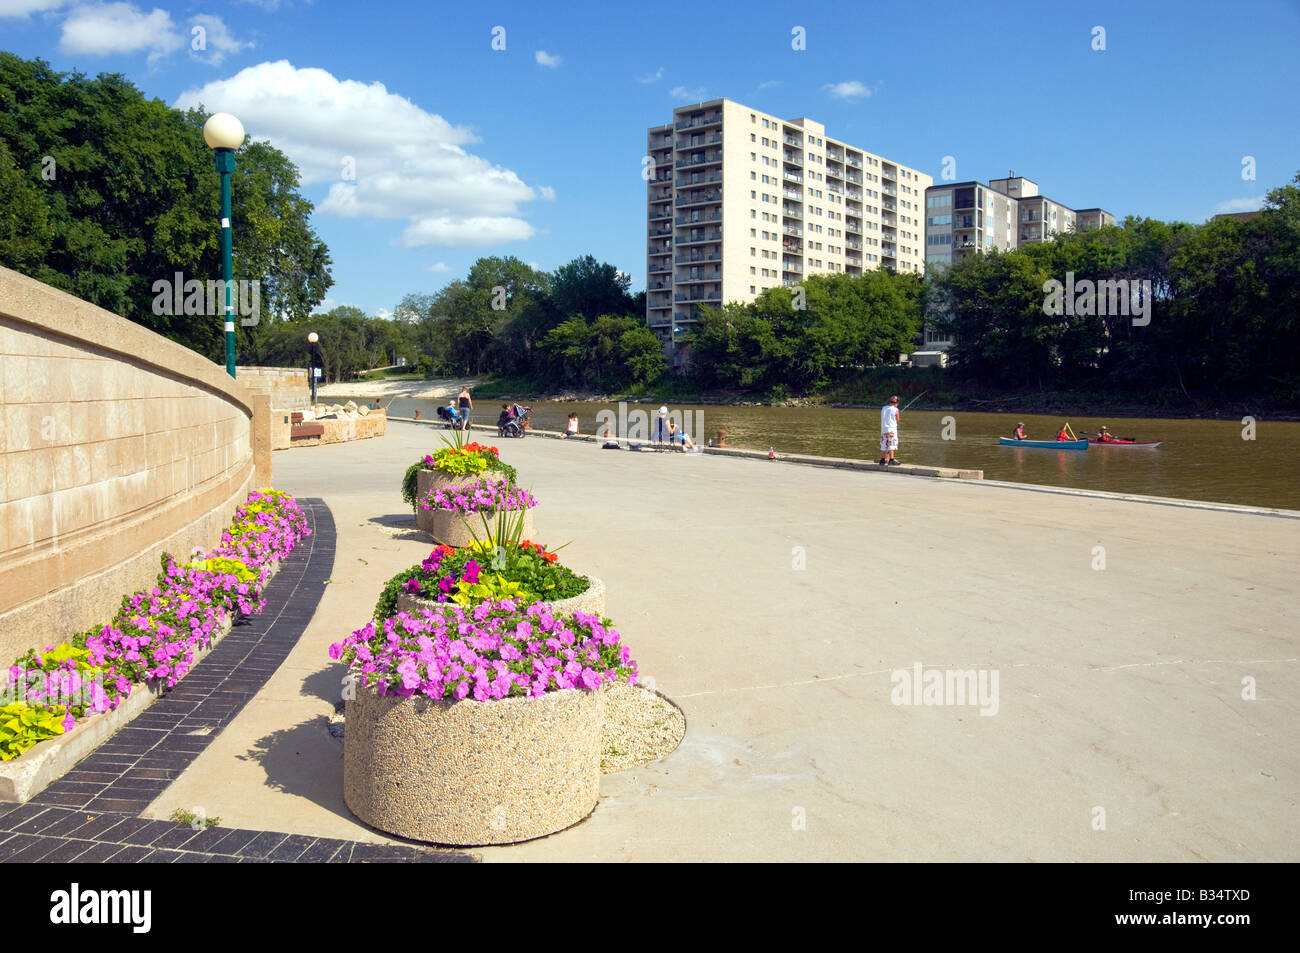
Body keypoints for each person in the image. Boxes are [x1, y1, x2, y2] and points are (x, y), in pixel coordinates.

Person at [879, 395, 901, 466]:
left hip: (884, 429)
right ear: (896, 403)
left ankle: (882, 460)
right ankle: (891, 460)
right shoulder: (895, 410)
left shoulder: (883, 408)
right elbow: (898, 420)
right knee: (891, 444)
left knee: (883, 444)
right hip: (891, 429)